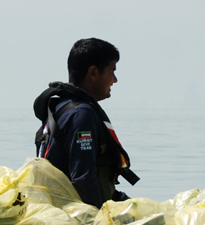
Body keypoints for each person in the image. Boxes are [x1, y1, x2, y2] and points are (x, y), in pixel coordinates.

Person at [33, 37, 138, 208]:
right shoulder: (82, 114)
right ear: (93, 73)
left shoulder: (61, 107)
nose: (115, 79)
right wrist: (98, 219)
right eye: (111, 71)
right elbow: (83, 178)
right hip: (76, 211)